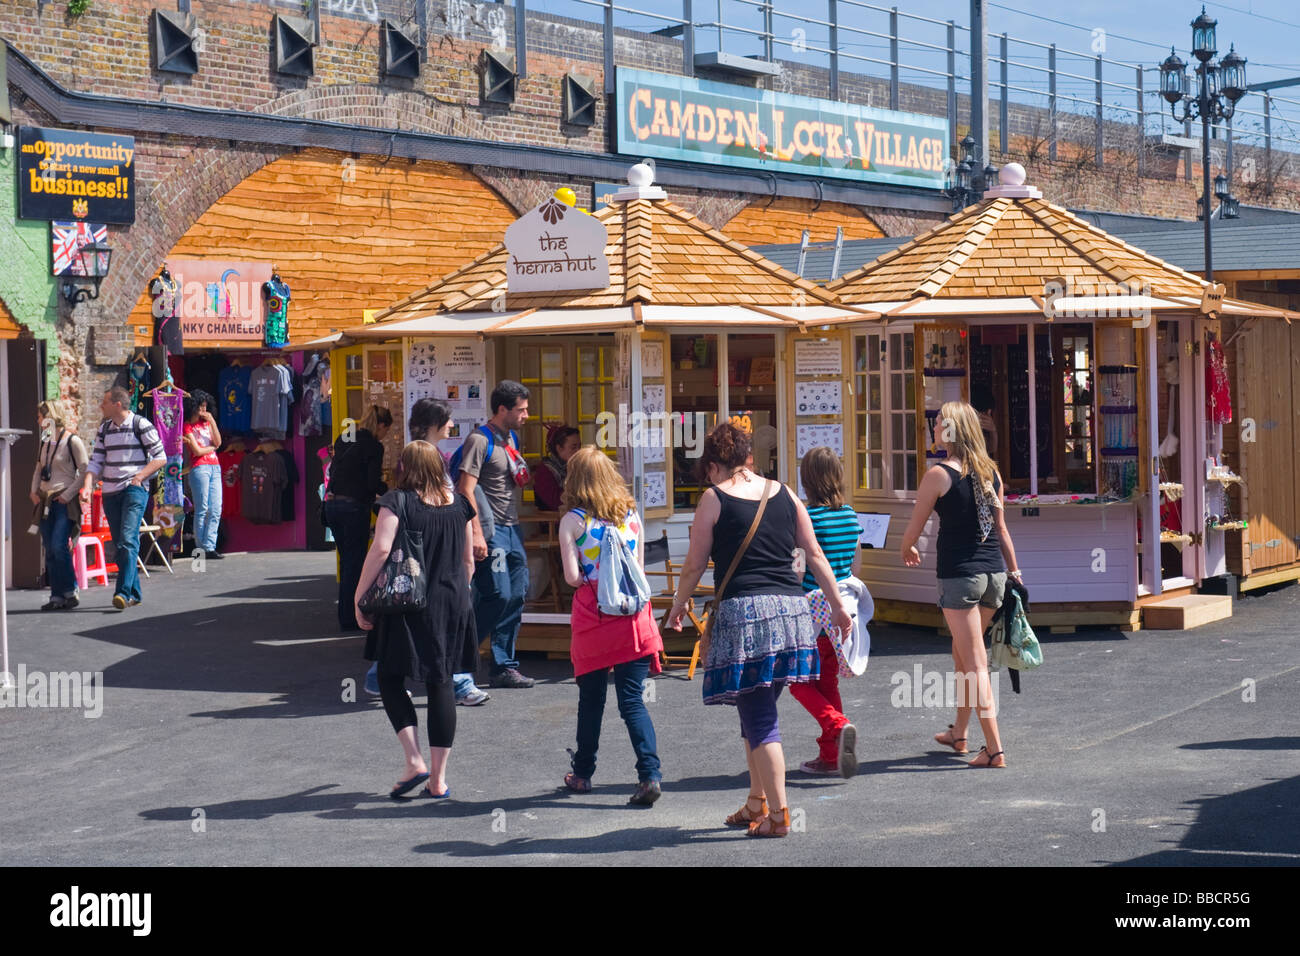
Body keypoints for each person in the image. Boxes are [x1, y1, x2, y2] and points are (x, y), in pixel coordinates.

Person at [667, 423, 851, 838]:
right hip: (792, 613)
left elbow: (695, 564)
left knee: (760, 716)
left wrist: (679, 606)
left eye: (708, 470)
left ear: (714, 465)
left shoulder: (714, 499)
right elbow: (815, 555)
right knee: (756, 711)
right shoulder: (786, 493)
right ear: (747, 457)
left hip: (746, 615)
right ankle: (757, 802)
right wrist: (838, 606)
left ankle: (779, 816)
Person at [899, 401, 1021, 768]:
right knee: (962, 656)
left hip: (960, 576)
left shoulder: (939, 475)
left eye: (938, 423)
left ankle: (995, 748)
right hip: (993, 577)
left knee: (975, 661)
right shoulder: (992, 474)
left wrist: (906, 548)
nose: (934, 428)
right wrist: (1015, 572)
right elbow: (1001, 530)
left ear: (951, 430)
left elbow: (915, 525)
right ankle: (960, 733)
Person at [355, 441, 478, 800]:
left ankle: (413, 760)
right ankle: (437, 781)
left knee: (391, 677)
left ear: (404, 467)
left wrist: (359, 598)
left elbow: (380, 549)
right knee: (442, 681)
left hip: (407, 603)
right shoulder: (461, 506)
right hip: (453, 600)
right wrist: (458, 593)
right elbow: (468, 560)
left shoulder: (398, 501)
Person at [557, 446, 664, 806]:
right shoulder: (630, 515)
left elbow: (573, 578)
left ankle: (583, 773)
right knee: (633, 701)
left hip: (594, 619)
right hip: (633, 618)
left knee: (591, 700)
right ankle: (649, 774)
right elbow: (638, 569)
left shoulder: (573, 521)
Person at [455, 380, 535, 690]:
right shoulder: (479, 440)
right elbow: (465, 488)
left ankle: (504, 666)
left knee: (516, 594)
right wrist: (475, 533)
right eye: (522, 410)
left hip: (513, 527)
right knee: (497, 594)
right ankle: (460, 651)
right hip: (492, 530)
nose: (526, 415)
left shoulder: (510, 437)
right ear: (502, 409)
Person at [790, 446, 863, 778]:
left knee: (797, 681)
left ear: (807, 480)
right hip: (841, 610)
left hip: (810, 612)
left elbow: (797, 567)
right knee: (827, 680)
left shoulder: (806, 517)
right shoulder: (850, 514)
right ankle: (830, 755)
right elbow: (855, 564)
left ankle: (838, 725)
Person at [82, 386, 166, 611]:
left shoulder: (141, 424)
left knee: (128, 540)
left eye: (104, 402)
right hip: (110, 492)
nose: (101, 405)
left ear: (117, 404)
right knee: (121, 544)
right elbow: (96, 461)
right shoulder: (104, 429)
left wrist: (139, 477)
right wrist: (88, 485)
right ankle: (135, 593)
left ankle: (122, 592)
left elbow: (160, 457)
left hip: (133, 489)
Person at [324, 405, 391, 632]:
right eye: (386, 431)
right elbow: (372, 483)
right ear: (381, 425)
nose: (385, 436)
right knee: (355, 564)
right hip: (354, 508)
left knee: (347, 562)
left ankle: (346, 614)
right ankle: (351, 617)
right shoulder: (374, 445)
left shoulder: (345, 436)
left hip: (333, 506)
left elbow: (336, 469)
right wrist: (391, 491)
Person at [29, 400, 88, 611]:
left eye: (39, 416)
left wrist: (70, 494)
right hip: (45, 499)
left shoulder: (72, 441)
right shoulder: (45, 441)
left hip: (63, 499)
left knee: (58, 545)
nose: (37, 420)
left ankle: (71, 590)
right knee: (49, 549)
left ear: (50, 417)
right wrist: (33, 491)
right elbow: (38, 468)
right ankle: (57, 595)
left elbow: (84, 471)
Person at [183, 390, 224, 560]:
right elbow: (197, 451)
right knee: (202, 509)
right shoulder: (187, 426)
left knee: (216, 508)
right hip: (200, 468)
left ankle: (210, 546)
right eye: (201, 405)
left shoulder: (207, 423)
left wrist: (212, 421)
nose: (204, 409)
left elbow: (219, 442)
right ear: (194, 406)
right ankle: (200, 548)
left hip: (214, 466)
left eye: (206, 405)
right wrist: (212, 448)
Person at [532, 425, 580, 512]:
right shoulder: (545, 471)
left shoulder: (578, 468)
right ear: (559, 448)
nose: (578, 451)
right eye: (573, 447)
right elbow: (556, 502)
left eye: (579, 447)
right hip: (554, 522)